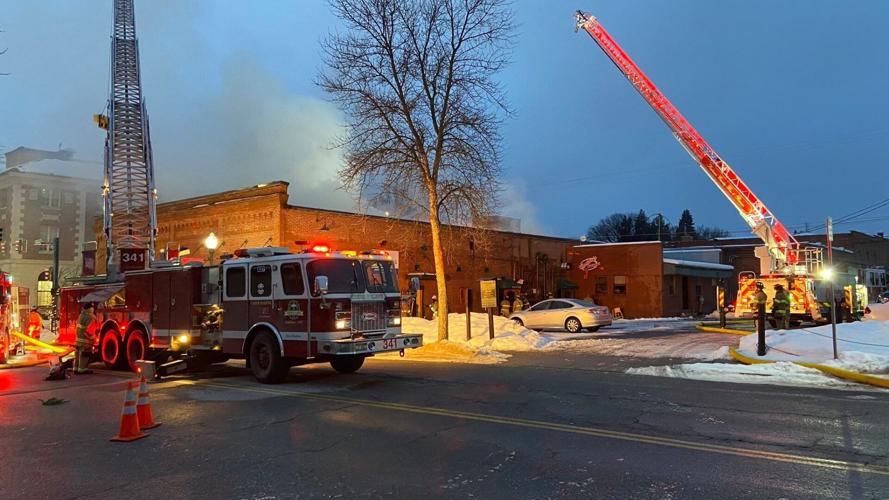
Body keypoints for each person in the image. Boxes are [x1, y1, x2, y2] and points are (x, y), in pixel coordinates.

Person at [74, 303, 96, 375]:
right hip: (85, 340)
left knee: (77, 355)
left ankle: (76, 368)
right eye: (92, 308)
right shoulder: (91, 317)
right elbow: (90, 330)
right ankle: (82, 370)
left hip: (78, 339)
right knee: (84, 356)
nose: (93, 309)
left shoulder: (81, 315)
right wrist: (92, 338)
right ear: (89, 309)